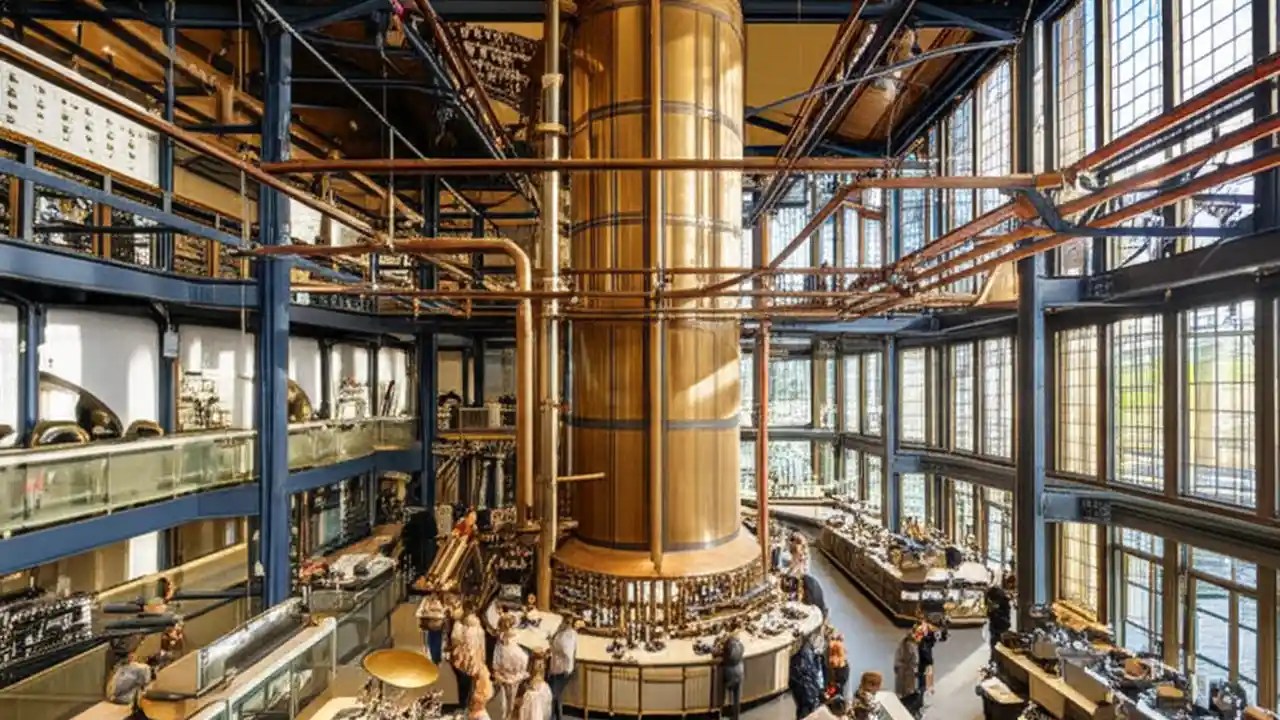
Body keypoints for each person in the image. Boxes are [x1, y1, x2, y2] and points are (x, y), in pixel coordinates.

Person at [493, 615, 530, 720]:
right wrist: (497, 671)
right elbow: (497, 657)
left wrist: (516, 670)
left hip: (515, 676)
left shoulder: (517, 639)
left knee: (511, 704)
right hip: (504, 676)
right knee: (504, 705)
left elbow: (522, 658)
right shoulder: (500, 641)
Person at [548, 619, 580, 720]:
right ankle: (558, 717)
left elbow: (568, 653)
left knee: (553, 695)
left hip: (562, 670)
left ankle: (553, 717)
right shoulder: (562, 632)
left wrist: (568, 669)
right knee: (556, 696)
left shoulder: (568, 636)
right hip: (557, 667)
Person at [789, 632, 825, 720]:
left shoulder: (805, 654)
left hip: (804, 693)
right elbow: (809, 678)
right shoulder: (808, 656)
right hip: (807, 696)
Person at [717, 623, 746, 720]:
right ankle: (735, 716)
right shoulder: (740, 643)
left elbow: (730, 656)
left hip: (730, 672)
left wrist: (720, 653)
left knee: (721, 694)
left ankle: (720, 714)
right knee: (737, 697)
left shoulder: (729, 643)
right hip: (740, 671)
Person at [893, 628, 921, 714]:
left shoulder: (906, 645)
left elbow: (914, 659)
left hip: (906, 671)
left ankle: (906, 706)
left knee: (906, 690)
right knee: (904, 690)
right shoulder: (906, 646)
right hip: (906, 671)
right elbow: (914, 659)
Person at [519, 654, 554, 720]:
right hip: (532, 702)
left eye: (542, 663)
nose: (540, 666)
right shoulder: (527, 677)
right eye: (538, 664)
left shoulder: (544, 684)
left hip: (539, 700)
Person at [985, 584, 1012, 662]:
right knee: (995, 642)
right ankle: (995, 659)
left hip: (1000, 624)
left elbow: (1004, 613)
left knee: (997, 642)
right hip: (997, 626)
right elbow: (989, 613)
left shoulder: (1002, 601)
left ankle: (996, 659)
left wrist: (994, 610)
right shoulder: (1000, 600)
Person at [826, 631, 848, 698]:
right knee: (838, 685)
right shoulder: (839, 645)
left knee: (837, 684)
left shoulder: (833, 644)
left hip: (838, 668)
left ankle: (834, 695)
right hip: (841, 667)